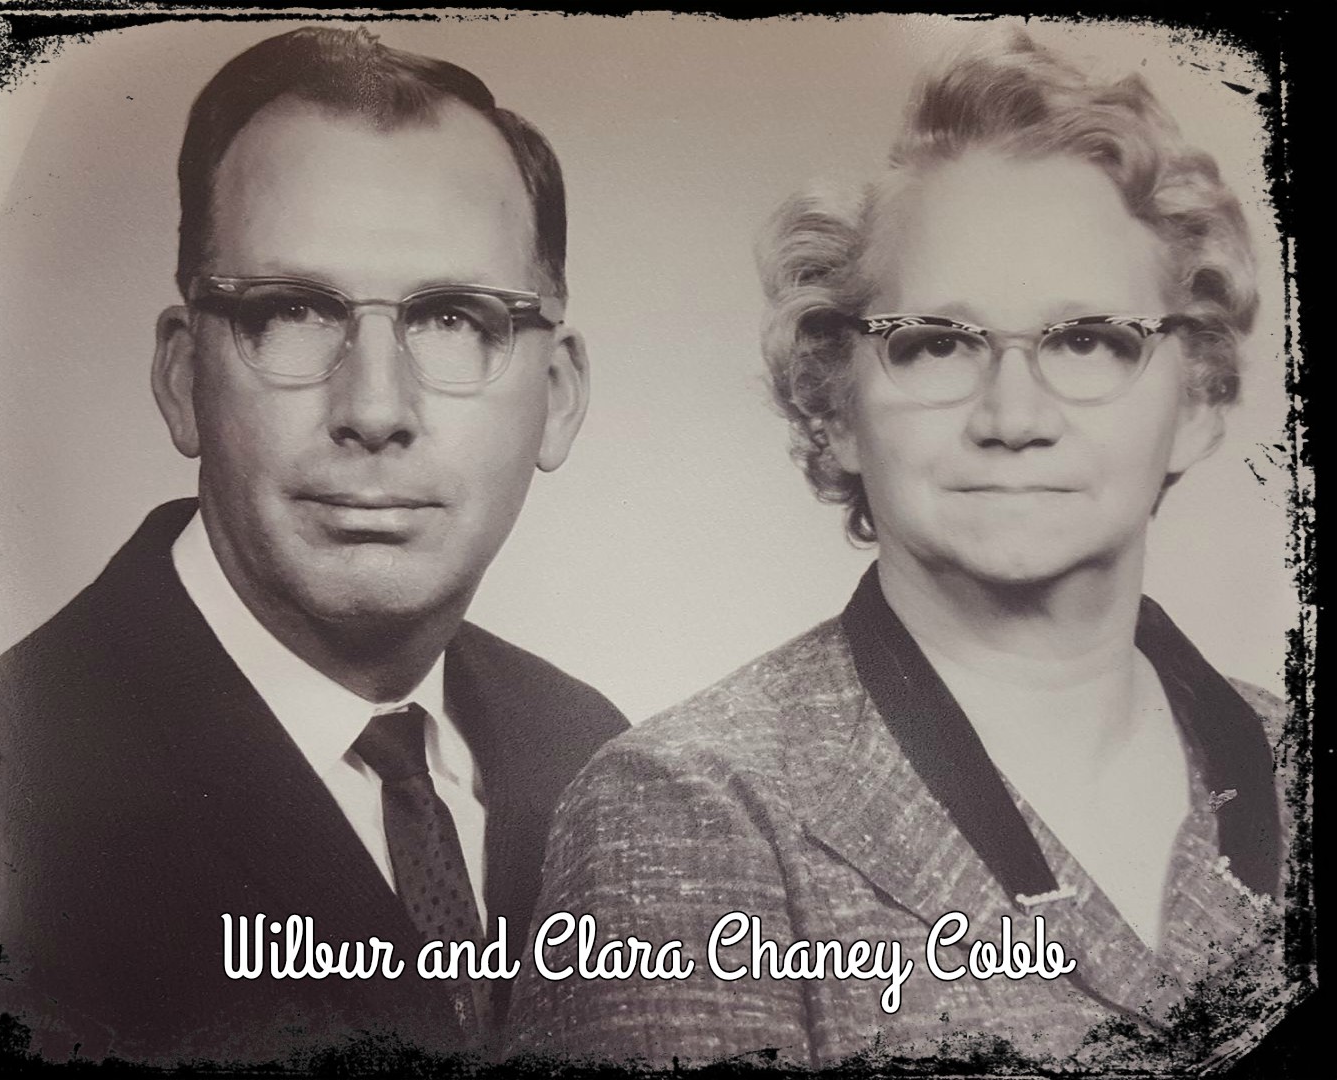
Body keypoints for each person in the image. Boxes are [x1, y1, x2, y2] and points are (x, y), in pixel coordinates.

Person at [509, 32, 1293, 1072]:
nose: (1015, 415)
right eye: (936, 343)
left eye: (1089, 340)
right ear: (834, 405)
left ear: (1195, 402)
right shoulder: (688, 810)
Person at [0, 27, 626, 1064]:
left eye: (453, 318)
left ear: (556, 398)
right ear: (181, 380)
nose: (376, 409)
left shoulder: (596, 760)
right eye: (291, 312)